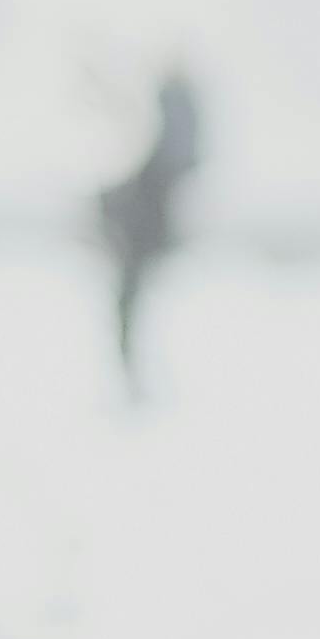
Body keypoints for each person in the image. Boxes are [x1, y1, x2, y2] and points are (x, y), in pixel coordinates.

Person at [94, 62, 202, 397]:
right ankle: (134, 378)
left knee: (134, 305)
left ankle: (137, 380)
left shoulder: (167, 111)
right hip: (135, 222)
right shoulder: (166, 112)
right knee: (131, 305)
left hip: (139, 223)